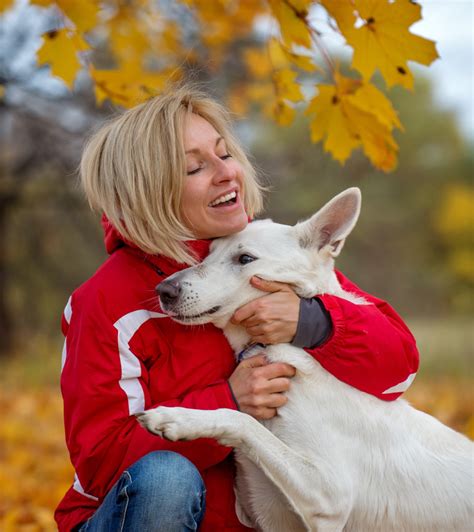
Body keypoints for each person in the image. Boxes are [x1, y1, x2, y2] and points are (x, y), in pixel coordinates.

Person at [55, 85, 419, 531]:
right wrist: (230, 402)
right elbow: (102, 464)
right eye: (195, 167)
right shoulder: (105, 302)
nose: (226, 174)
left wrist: (312, 322)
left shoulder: (270, 255)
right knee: (167, 479)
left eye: (225, 154)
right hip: (135, 516)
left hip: (264, 517)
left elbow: (399, 369)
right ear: (146, 193)